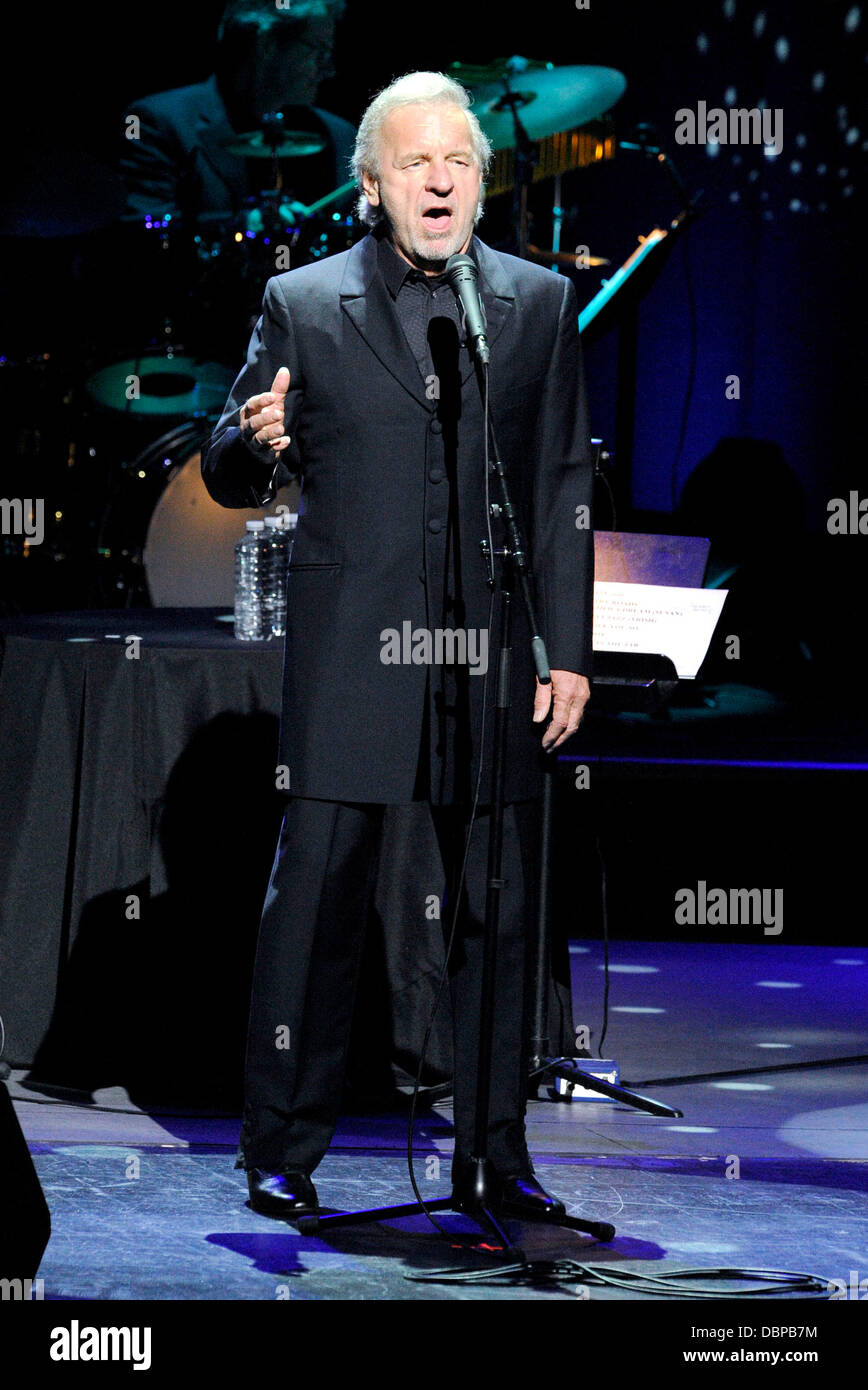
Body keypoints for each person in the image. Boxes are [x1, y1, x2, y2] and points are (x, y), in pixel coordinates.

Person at [201, 70, 594, 1222]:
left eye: (458, 161)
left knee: (496, 906)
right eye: (415, 162)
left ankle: (497, 1153)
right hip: (352, 648)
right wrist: (250, 437)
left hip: (491, 650)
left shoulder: (533, 302)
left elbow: (563, 478)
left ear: (482, 179)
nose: (440, 178)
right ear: (372, 186)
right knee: (316, 903)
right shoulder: (304, 299)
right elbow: (226, 461)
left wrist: (564, 650)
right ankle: (280, 1145)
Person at [120, 0, 355, 223]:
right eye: (317, 50)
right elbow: (147, 235)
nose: (329, 70)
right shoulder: (159, 122)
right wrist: (242, 228)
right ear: (267, 45)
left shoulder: (339, 136)